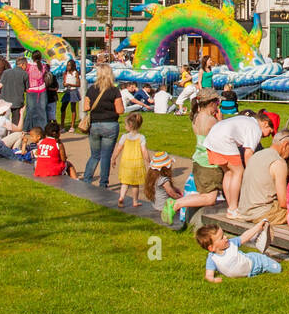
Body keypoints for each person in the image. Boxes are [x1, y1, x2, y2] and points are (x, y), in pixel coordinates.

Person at [160, 91, 225, 225]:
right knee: (210, 198)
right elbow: (222, 138)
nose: (218, 106)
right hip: (209, 163)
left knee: (203, 193)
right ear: (212, 103)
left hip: (198, 160)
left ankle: (182, 207)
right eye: (217, 103)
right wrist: (221, 120)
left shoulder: (196, 117)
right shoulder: (211, 121)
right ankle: (176, 204)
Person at [205, 111, 275, 219]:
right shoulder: (255, 129)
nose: (267, 136)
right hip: (225, 140)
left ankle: (231, 208)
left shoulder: (247, 121)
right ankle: (233, 208)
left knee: (228, 172)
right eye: (269, 132)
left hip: (212, 137)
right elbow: (248, 153)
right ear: (265, 123)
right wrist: (251, 173)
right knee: (239, 172)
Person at [235, 129, 289, 228]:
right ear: (285, 145)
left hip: (245, 210)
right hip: (262, 213)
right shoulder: (279, 163)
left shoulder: (256, 155)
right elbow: (283, 202)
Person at [82, 63, 125, 188]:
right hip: (110, 124)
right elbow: (120, 110)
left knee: (95, 155)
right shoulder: (114, 90)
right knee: (106, 155)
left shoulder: (91, 89)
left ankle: (87, 178)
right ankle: (103, 183)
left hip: (95, 124)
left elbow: (86, 107)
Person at [196, 222, 282, 283]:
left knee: (278, 269)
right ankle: (267, 256)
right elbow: (208, 275)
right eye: (221, 238)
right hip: (248, 272)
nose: (226, 237)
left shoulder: (231, 243)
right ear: (211, 248)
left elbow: (245, 237)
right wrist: (213, 280)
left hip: (255, 262)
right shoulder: (212, 259)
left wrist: (258, 227)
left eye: (224, 234)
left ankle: (265, 257)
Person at [111, 111, 150, 207]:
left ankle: (121, 197)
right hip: (137, 163)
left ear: (130, 125)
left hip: (126, 162)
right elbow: (144, 151)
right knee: (135, 184)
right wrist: (149, 160)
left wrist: (114, 158)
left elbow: (119, 148)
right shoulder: (141, 137)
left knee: (125, 182)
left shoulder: (124, 137)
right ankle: (135, 201)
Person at [0, 55, 27, 125]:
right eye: (26, 65)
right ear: (22, 64)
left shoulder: (6, 72)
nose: (26, 67)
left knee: (4, 120)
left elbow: (0, 85)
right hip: (17, 101)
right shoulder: (24, 74)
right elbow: (27, 88)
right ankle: (14, 133)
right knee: (16, 120)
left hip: (5, 99)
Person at [58, 60, 81, 132]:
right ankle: (62, 126)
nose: (68, 67)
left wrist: (70, 84)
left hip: (73, 91)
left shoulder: (75, 73)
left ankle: (72, 126)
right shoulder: (65, 73)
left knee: (73, 108)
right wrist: (65, 84)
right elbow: (64, 82)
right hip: (67, 91)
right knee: (63, 108)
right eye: (67, 65)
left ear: (73, 66)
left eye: (69, 65)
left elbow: (78, 84)